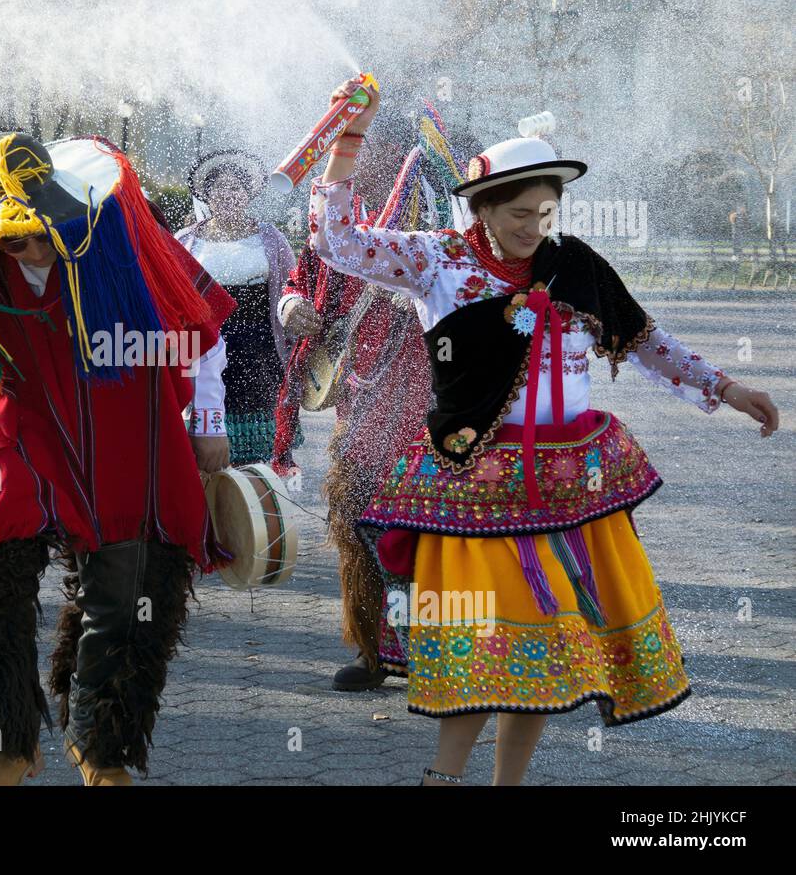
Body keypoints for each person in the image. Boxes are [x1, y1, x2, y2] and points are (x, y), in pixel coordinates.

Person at [308, 77, 780, 785]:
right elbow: (335, 240)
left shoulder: (575, 266)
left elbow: (646, 340)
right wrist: (349, 139)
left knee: (546, 653)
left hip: (566, 488)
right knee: (490, 646)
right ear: (485, 208)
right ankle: (442, 778)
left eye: (547, 211)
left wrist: (727, 387)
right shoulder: (440, 260)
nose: (536, 226)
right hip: (477, 487)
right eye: (521, 213)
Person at [0, 132, 235, 785]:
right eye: (14, 234)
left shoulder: (120, 235)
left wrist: (209, 417)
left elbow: (197, 321)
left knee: (134, 588)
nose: (30, 245)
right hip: (19, 434)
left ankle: (103, 747)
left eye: (41, 228)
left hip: (123, 428)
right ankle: (3, 742)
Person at [273, 106, 470, 692]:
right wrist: (292, 307)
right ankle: (369, 649)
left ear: (402, 147)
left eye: (370, 143)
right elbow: (302, 275)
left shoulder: (437, 209)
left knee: (429, 529)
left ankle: (435, 653)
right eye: (353, 146)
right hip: (359, 399)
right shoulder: (338, 213)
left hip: (430, 397)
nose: (359, 155)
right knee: (355, 520)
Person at [174, 150, 297, 465]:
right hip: (202, 350)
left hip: (258, 353)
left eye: (235, 188)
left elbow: (293, 288)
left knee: (257, 457)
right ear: (207, 195)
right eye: (219, 187)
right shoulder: (185, 241)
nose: (227, 194)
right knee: (202, 446)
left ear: (248, 194)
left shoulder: (271, 238)